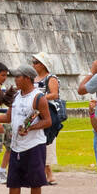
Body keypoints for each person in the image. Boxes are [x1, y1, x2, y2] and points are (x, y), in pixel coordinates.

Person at [0, 64, 51, 194]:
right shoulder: (16, 96)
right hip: (17, 144)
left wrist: (30, 128)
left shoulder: (39, 97)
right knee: (14, 181)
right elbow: (9, 117)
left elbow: (47, 121)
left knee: (36, 181)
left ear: (27, 78)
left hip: (34, 144)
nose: (15, 80)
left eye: (18, 77)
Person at [33, 53, 62, 184]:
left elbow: (55, 94)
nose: (33, 64)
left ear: (43, 64)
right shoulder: (33, 78)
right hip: (34, 112)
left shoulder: (51, 78)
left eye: (36, 62)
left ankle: (48, 171)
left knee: (47, 141)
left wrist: (40, 98)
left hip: (48, 112)